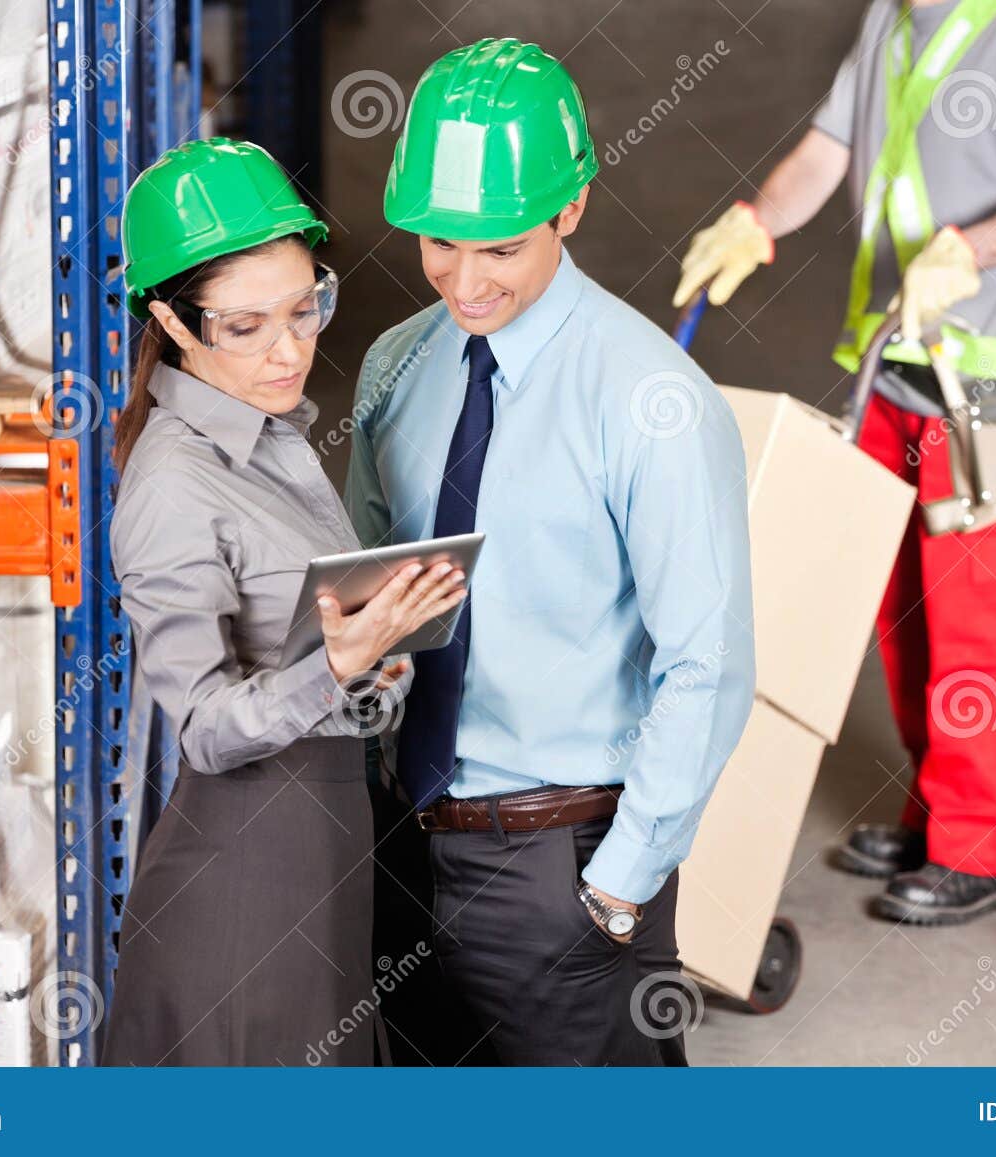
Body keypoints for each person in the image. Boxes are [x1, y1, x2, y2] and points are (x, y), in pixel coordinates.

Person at [346, 38, 755, 1066]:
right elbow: (366, 588)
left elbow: (707, 663)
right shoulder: (398, 366)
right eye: (440, 242)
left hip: (558, 860)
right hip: (406, 837)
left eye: (500, 247)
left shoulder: (648, 401)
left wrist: (619, 883)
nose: (465, 280)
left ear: (570, 209)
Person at [675, 0, 996, 925]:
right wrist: (758, 220)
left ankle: (984, 850)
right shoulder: (894, 20)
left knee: (985, 623)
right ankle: (938, 811)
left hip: (986, 383)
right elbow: (828, 149)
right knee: (906, 612)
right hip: (894, 366)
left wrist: (969, 250)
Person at [99, 138, 466, 1066]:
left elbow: (316, 659)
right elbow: (206, 730)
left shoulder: (274, 437)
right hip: (242, 898)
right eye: (247, 326)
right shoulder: (173, 486)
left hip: (326, 863)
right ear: (175, 325)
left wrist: (377, 662)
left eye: (306, 309)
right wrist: (337, 664)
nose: (289, 348)